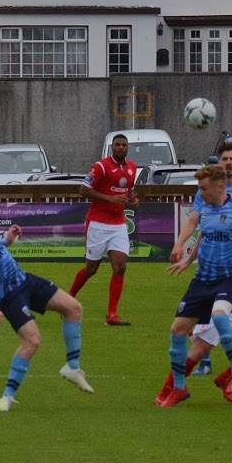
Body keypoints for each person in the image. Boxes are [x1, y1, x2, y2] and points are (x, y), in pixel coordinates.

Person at [0, 188, 93, 411]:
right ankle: (7, 396)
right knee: (32, 341)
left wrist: (8, 239)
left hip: (23, 279)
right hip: (8, 296)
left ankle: (72, 368)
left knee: (73, 308)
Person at [157, 165, 232, 407]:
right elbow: (204, 234)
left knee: (220, 317)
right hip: (203, 279)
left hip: (228, 278)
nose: (200, 194)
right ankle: (178, 388)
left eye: (204, 189)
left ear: (220, 186)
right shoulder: (206, 210)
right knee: (177, 330)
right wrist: (187, 256)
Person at [68, 133, 139, 325]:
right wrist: (110, 199)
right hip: (98, 223)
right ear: (112, 147)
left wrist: (133, 199)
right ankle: (68, 299)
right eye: (117, 144)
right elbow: (83, 190)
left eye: (124, 145)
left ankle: (112, 315)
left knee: (120, 266)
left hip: (118, 224)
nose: (121, 147)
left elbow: (130, 189)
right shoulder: (100, 167)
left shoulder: (132, 167)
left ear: (127, 148)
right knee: (91, 269)